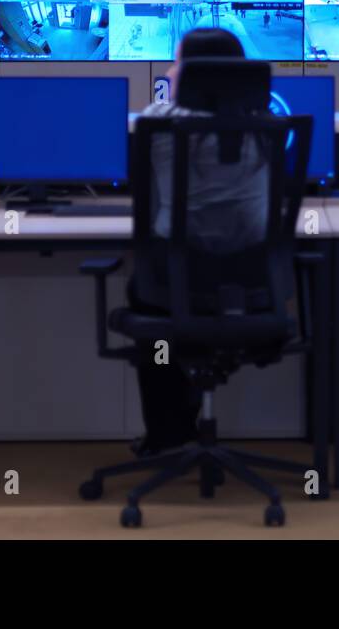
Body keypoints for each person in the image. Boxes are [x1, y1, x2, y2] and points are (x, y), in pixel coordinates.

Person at [129, 28, 270, 455]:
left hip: (171, 287)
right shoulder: (267, 129)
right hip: (252, 289)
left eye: (176, 63)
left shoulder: (158, 124)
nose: (170, 71)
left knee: (149, 299)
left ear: (191, 74)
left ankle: (166, 435)